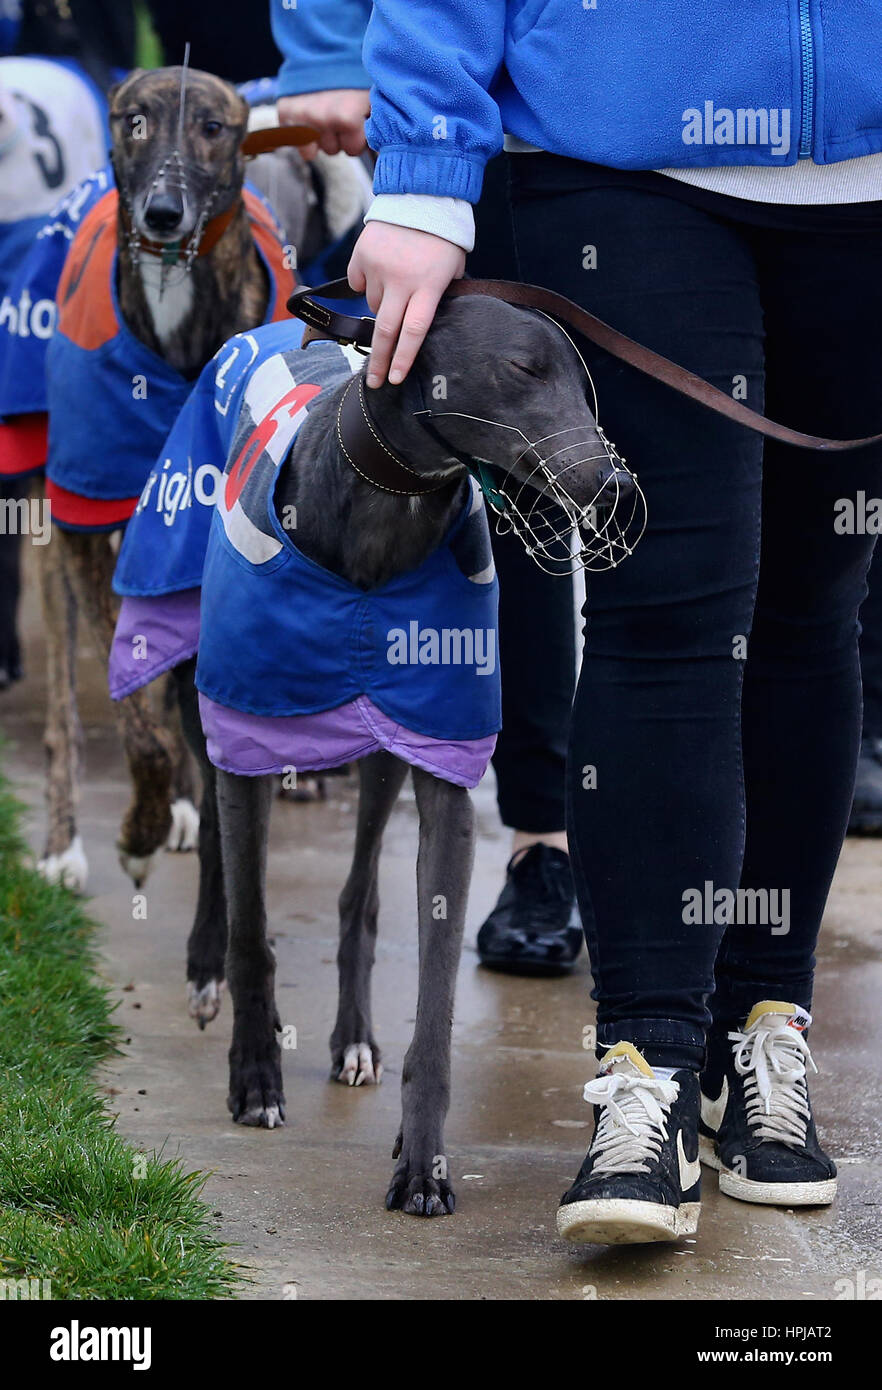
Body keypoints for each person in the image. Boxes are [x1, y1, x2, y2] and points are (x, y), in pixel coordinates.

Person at [274, 1, 882, 1246]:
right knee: (665, 602)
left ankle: (762, 1034)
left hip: (866, 188)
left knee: (813, 609)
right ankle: (647, 1061)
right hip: (611, 156)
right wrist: (431, 167)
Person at [273, 0, 582, 978]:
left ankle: (692, 864)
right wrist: (327, 44)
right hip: (501, 133)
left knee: (694, 525)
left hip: (739, 158)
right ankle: (543, 841)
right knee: (521, 489)